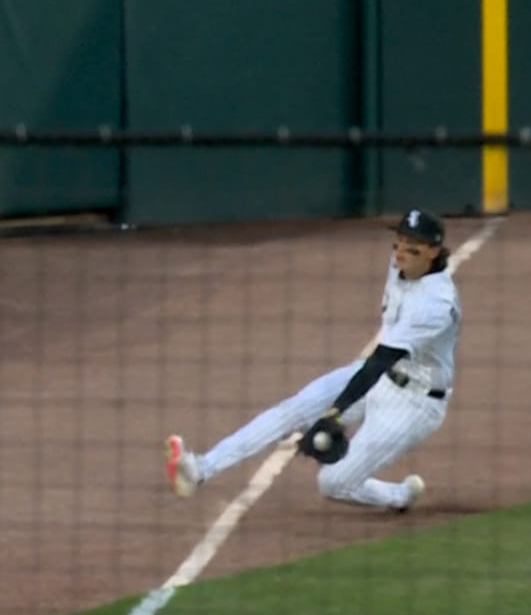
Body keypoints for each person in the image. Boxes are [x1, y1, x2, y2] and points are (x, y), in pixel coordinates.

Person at [165, 210, 462, 513]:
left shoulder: (434, 304)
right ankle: (199, 469)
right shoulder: (401, 265)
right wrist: (331, 413)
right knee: (292, 411)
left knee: (332, 483)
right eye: (399, 240)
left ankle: (398, 496)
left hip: (414, 403)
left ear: (433, 252)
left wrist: (334, 413)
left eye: (413, 245)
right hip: (382, 377)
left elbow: (380, 359)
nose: (401, 250)